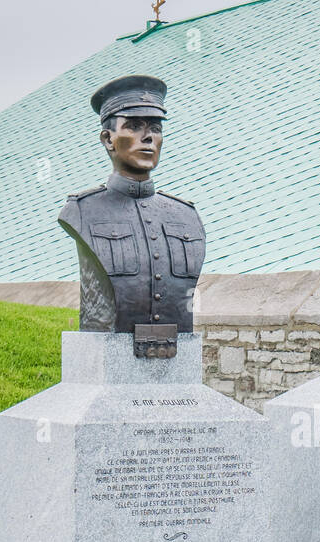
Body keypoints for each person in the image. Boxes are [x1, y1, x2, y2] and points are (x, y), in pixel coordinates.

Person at [59, 75, 204, 358]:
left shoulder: (187, 216)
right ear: (108, 139)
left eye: (155, 128)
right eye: (134, 126)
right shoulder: (82, 210)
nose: (148, 137)